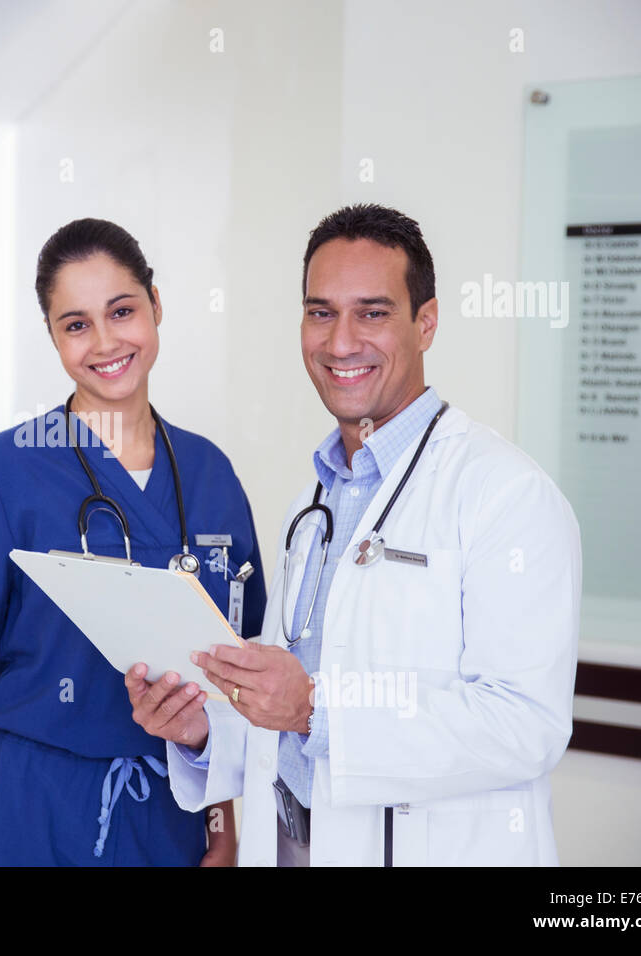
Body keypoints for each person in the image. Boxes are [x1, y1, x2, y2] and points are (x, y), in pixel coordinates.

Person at [128, 203, 581, 867]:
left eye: (372, 312)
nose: (340, 343)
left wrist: (316, 710)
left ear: (425, 323)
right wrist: (202, 729)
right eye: (320, 312)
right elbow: (287, 707)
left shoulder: (504, 494)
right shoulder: (313, 501)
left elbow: (525, 727)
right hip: (294, 845)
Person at [0, 219, 266, 866]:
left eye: (122, 310)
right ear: (54, 337)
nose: (105, 341)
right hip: (27, 811)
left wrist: (224, 836)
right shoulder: (4, 472)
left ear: (156, 304)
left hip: (167, 819)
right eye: (75, 324)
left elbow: (231, 687)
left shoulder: (210, 476)